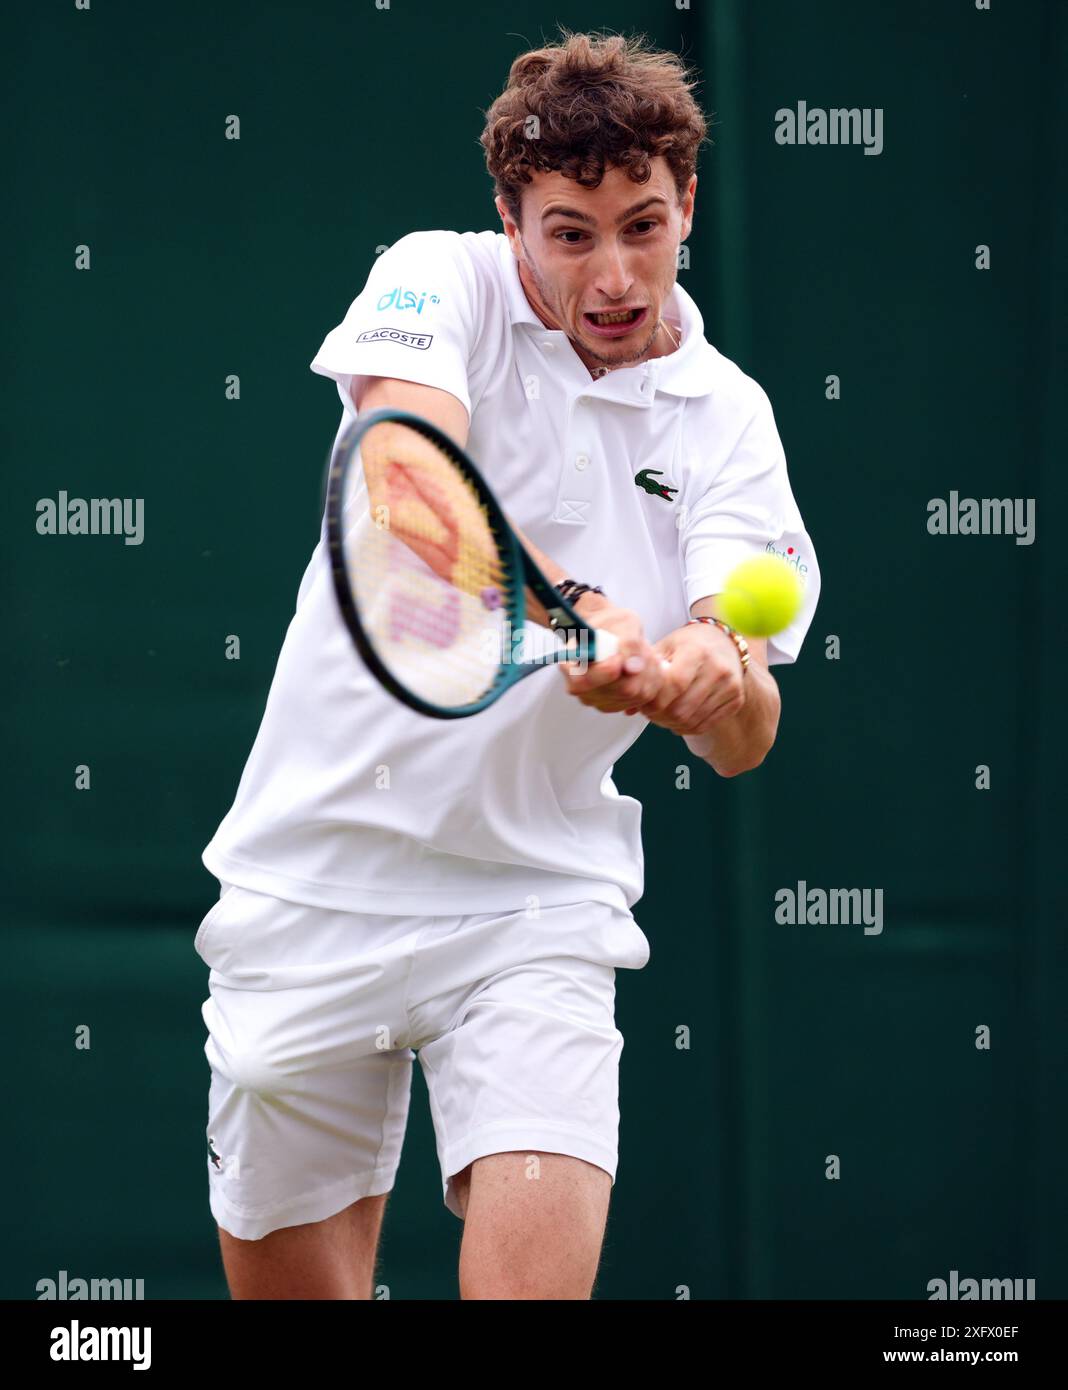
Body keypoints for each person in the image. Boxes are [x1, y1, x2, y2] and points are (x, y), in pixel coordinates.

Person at [194, 29, 821, 1300]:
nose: (613, 274)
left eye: (644, 224)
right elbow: (407, 467)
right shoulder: (439, 279)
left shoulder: (730, 419)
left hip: (538, 906)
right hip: (311, 887)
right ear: (510, 218)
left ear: (689, 202)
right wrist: (571, 610)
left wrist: (711, 673)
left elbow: (743, 724)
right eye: (571, 232)